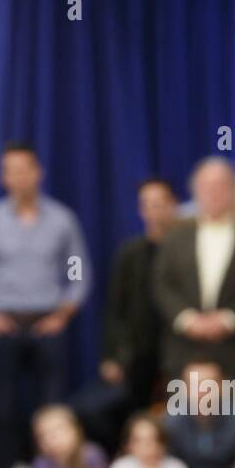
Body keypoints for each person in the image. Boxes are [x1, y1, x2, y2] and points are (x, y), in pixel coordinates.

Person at [0, 142, 92, 468]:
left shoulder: (62, 220)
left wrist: (62, 315)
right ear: (3, 177)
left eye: (25, 170)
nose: (19, 177)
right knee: (5, 409)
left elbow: (78, 274)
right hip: (4, 325)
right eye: (11, 171)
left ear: (38, 173)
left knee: (53, 409)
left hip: (47, 324)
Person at [74, 176, 179, 453]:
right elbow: (115, 309)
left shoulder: (185, 250)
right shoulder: (130, 253)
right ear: (140, 210)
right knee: (97, 410)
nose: (154, 211)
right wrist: (112, 357)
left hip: (176, 354)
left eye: (160, 203)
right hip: (136, 357)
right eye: (148, 204)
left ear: (173, 205)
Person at [153, 157, 235, 382]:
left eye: (221, 186)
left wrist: (228, 320)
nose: (214, 192)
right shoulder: (174, 239)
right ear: (195, 191)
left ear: (233, 190)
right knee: (183, 406)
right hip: (184, 353)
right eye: (206, 186)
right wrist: (189, 320)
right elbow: (162, 285)